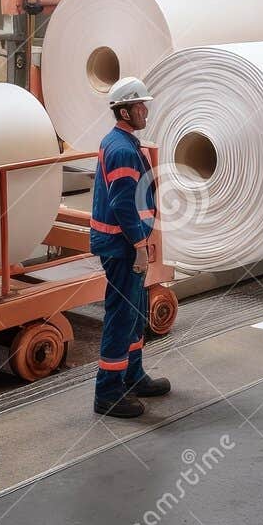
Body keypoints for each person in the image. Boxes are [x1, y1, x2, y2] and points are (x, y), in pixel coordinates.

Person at [90, 76, 171, 418]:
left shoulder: (124, 142)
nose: (146, 112)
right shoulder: (122, 149)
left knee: (135, 312)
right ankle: (108, 392)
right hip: (121, 247)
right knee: (122, 317)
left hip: (126, 244)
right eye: (141, 106)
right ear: (124, 110)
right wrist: (139, 245)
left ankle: (132, 375)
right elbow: (124, 204)